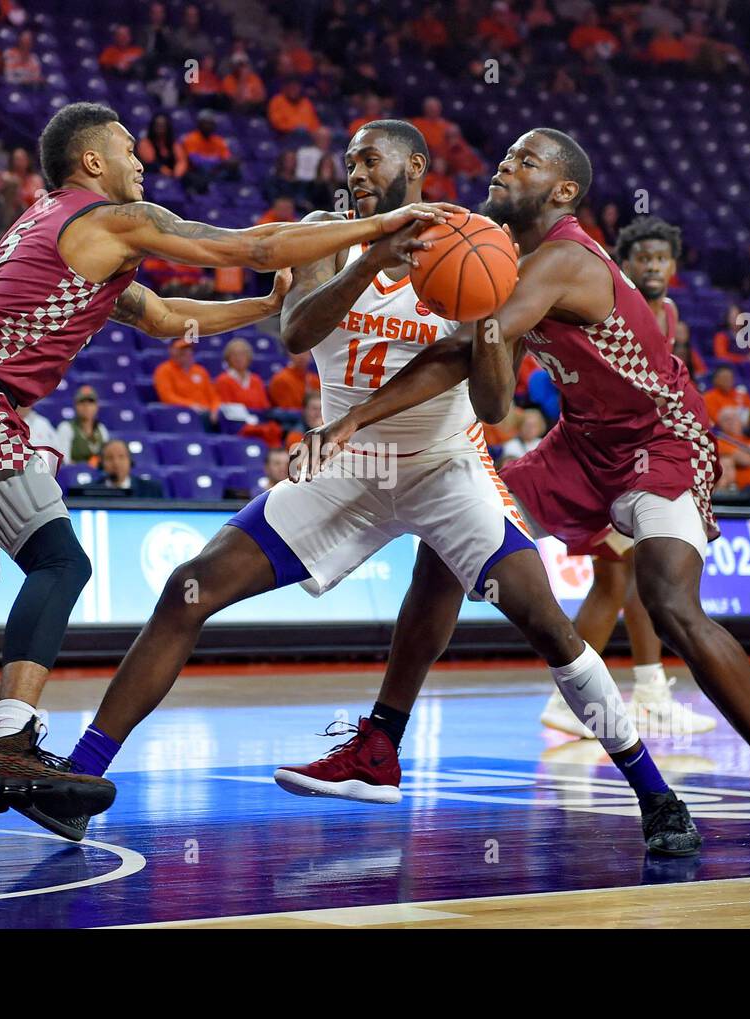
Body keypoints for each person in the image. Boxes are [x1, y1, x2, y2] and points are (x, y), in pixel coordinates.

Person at [61, 121, 700, 855]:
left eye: (371, 159)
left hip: (446, 465)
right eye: (350, 160)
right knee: (188, 588)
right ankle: (81, 777)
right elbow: (296, 331)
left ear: (416, 166)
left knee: (548, 624)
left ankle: (657, 796)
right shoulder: (325, 232)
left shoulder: (478, 244)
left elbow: (495, 404)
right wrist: (372, 258)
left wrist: (489, 335)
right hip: (348, 466)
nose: (356, 171)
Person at [0, 102, 454, 840]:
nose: (140, 161)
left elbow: (161, 316)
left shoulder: (59, 228)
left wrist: (264, 307)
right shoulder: (113, 218)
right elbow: (258, 243)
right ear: (92, 162)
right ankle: (9, 739)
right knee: (60, 561)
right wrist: (380, 227)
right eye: (127, 149)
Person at [300, 128, 750, 852]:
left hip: (660, 441)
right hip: (580, 443)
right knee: (449, 545)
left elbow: (466, 348)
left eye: (526, 161)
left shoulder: (563, 258)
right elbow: (480, 370)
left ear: (563, 192)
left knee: (671, 605)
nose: (505, 165)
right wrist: (362, 411)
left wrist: (357, 416)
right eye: (506, 156)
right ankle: (380, 744)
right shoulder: (507, 252)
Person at [538, 215, 715, 739]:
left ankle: (647, 692)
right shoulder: (607, 305)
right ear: (626, 265)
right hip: (603, 457)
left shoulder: (671, 313)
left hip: (643, 459)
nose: (653, 266)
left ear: (674, 265)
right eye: (643, 258)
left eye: (661, 258)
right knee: (615, 580)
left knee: (633, 577)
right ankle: (572, 699)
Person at [153, 338, 221, 423]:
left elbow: (213, 396)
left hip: (208, 414)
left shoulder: (200, 370)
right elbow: (167, 397)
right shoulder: (163, 370)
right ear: (171, 350)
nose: (185, 352)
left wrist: (215, 410)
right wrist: (191, 405)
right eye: (181, 349)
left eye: (187, 348)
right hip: (183, 414)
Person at [55, 385, 111, 465]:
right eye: (82, 402)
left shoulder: (101, 429)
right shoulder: (66, 428)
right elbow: (65, 462)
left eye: (90, 402)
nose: (86, 406)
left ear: (97, 406)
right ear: (75, 406)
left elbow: (106, 458)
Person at [96, 439, 163, 497]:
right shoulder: (91, 491)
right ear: (101, 464)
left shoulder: (152, 490)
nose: (116, 463)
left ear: (130, 461)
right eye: (109, 458)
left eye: (121, 456)